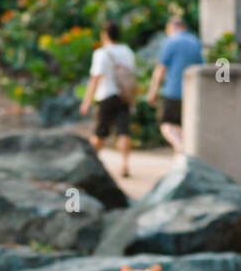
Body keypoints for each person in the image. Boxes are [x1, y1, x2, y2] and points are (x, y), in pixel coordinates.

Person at [81, 20, 136, 178]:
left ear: (104, 34)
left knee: (99, 133)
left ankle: (89, 163)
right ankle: (125, 165)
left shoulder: (101, 53)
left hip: (106, 95)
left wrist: (86, 101)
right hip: (123, 96)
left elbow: (95, 79)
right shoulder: (127, 51)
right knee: (123, 131)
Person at [147, 14, 204, 153]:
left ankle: (180, 147)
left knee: (166, 124)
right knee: (182, 126)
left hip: (173, 91)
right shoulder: (195, 42)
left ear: (171, 27)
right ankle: (181, 157)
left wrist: (153, 91)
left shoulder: (170, 42)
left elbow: (161, 69)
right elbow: (201, 67)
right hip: (191, 92)